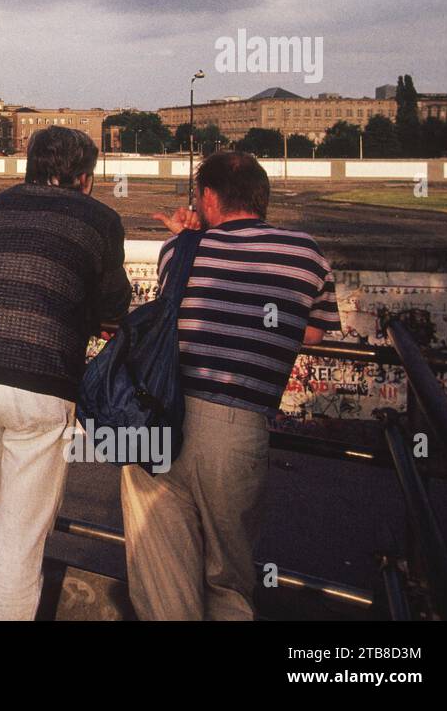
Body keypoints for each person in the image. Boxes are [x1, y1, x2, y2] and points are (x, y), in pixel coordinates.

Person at [122, 150, 341, 620]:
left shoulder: (178, 250)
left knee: (163, 575)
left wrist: (190, 238)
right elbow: (311, 332)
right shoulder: (305, 253)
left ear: (208, 196)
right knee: (229, 581)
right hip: (238, 428)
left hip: (162, 417)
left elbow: (176, 309)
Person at [0, 126, 131, 620]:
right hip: (41, 380)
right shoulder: (100, 218)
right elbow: (115, 304)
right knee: (23, 532)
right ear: (86, 178)